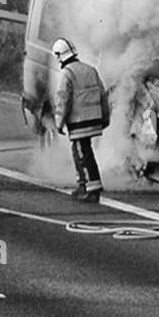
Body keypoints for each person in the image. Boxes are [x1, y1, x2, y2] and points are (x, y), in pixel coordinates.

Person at [51, 37, 110, 203]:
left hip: (79, 122)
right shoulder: (90, 70)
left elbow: (63, 100)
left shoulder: (67, 74)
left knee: (81, 154)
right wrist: (105, 118)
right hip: (94, 120)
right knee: (85, 152)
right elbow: (103, 96)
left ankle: (90, 189)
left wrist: (59, 122)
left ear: (59, 56)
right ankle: (85, 185)